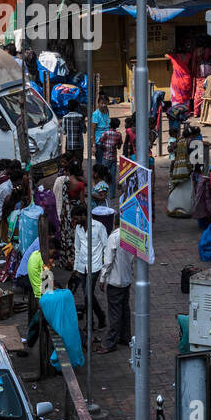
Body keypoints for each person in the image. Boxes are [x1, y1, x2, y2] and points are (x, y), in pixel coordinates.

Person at [97, 214, 135, 355]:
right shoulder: (131, 236)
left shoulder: (114, 237)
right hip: (126, 279)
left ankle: (111, 342)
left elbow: (108, 261)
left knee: (115, 312)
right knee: (124, 309)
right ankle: (125, 336)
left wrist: (102, 279)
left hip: (115, 281)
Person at [71, 204, 108, 332]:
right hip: (82, 266)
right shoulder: (78, 229)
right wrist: (75, 266)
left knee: (87, 294)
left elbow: (105, 246)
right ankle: (100, 316)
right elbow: (77, 248)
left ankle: (90, 322)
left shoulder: (98, 227)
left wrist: (104, 269)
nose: (75, 221)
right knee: (88, 294)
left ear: (83, 216)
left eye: (77, 218)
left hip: (95, 265)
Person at [99, 117, 123, 193]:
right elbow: (119, 147)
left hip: (106, 157)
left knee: (103, 175)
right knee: (112, 176)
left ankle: (102, 191)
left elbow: (101, 143)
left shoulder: (105, 133)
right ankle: (112, 194)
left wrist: (104, 148)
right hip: (114, 157)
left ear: (110, 124)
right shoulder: (119, 135)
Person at [60, 99, 84, 166]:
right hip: (79, 146)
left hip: (69, 146)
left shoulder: (65, 118)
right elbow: (84, 130)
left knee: (69, 164)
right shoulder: (80, 117)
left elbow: (64, 132)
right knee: (79, 163)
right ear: (76, 107)